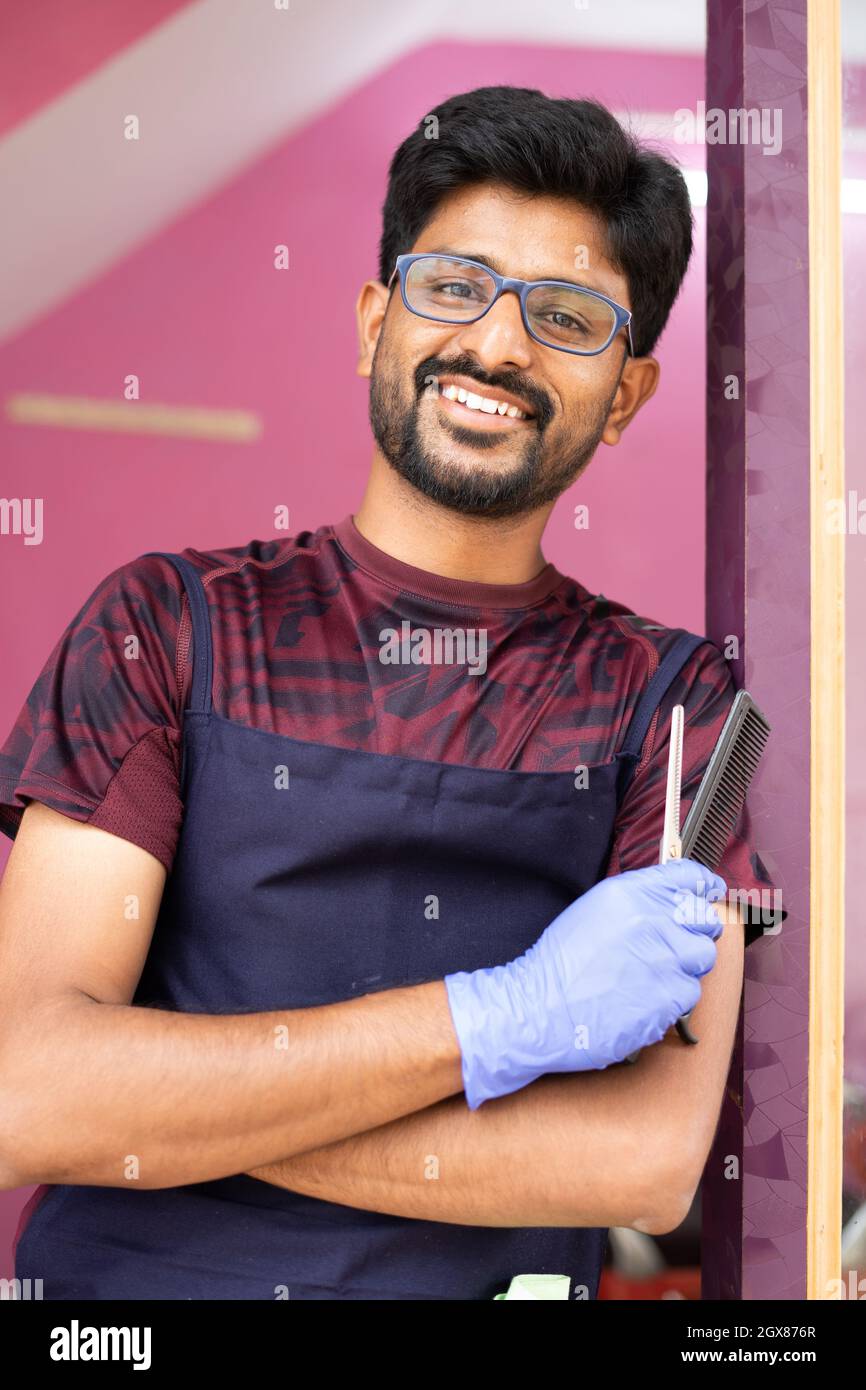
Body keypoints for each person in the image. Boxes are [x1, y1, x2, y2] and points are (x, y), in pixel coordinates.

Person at [0, 86, 781, 1301]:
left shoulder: (670, 706)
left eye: (569, 318)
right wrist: (498, 1019)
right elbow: (28, 1091)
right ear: (376, 321)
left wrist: (177, 1112)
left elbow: (639, 1163)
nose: (500, 346)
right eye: (455, 286)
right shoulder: (164, 627)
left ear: (625, 394)